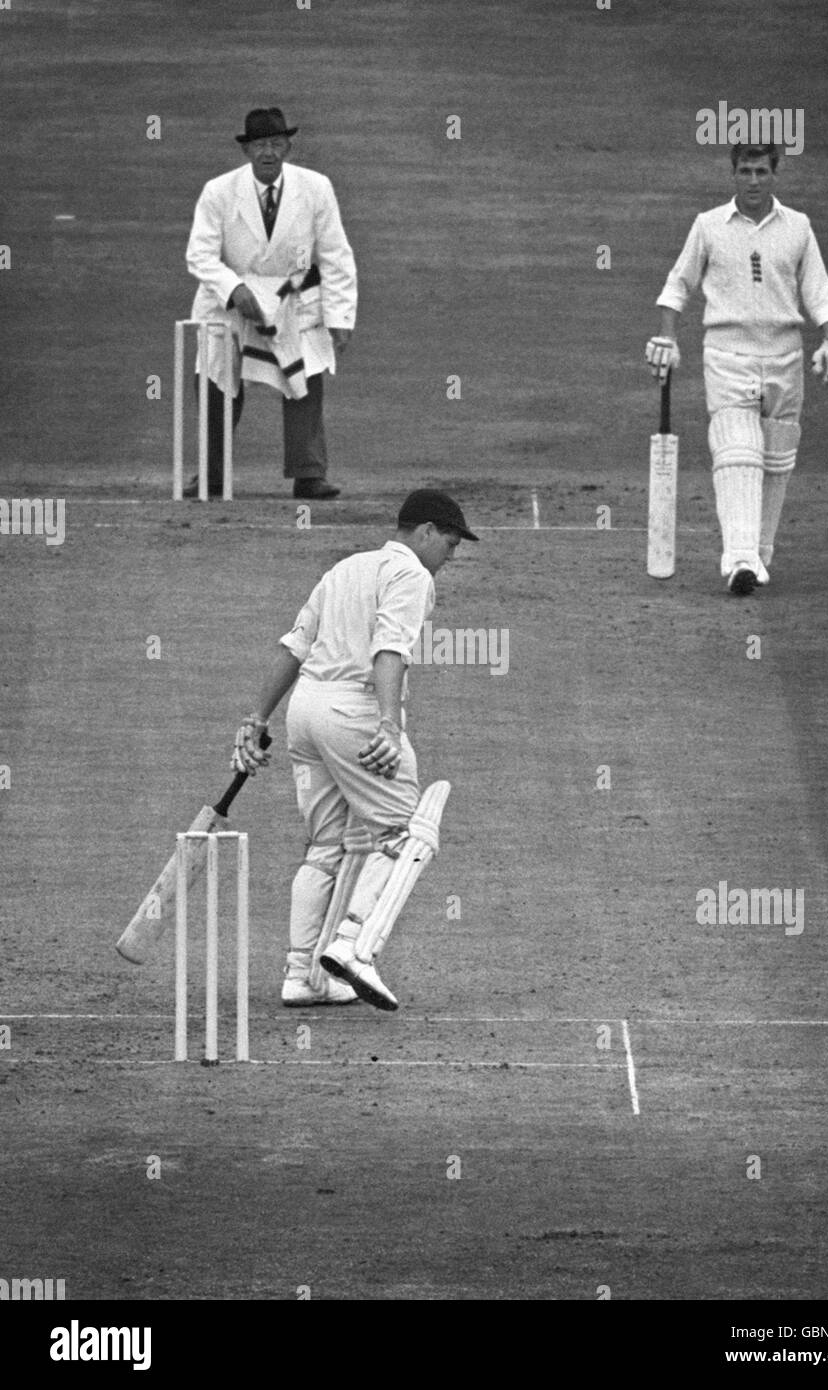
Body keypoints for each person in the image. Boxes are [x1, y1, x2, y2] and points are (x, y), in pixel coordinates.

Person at [231, 490, 478, 1011]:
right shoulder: (413, 576)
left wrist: (257, 718)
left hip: (306, 712)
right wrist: (388, 725)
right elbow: (389, 651)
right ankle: (356, 946)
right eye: (450, 545)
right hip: (355, 716)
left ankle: (304, 976)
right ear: (426, 531)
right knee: (406, 835)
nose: (451, 558)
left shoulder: (346, 568)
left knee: (328, 848)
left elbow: (293, 646)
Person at [646, 142, 828, 594]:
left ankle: (758, 555)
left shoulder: (798, 227)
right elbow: (677, 286)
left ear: (774, 174)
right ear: (733, 174)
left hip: (786, 359)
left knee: (776, 459)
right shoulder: (709, 226)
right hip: (728, 356)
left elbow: (819, 292)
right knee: (738, 451)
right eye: (745, 171)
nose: (753, 180)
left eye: (761, 171)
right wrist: (668, 337)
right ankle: (739, 559)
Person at [184, 107, 357, 499]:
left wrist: (340, 316)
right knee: (214, 381)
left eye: (276, 144)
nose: (269, 153)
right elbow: (200, 255)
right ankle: (211, 475)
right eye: (260, 144)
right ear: (247, 151)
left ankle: (309, 474)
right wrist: (234, 290)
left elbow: (335, 254)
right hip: (229, 303)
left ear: (288, 147)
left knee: (306, 377)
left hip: (292, 300)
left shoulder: (316, 187)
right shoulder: (218, 191)